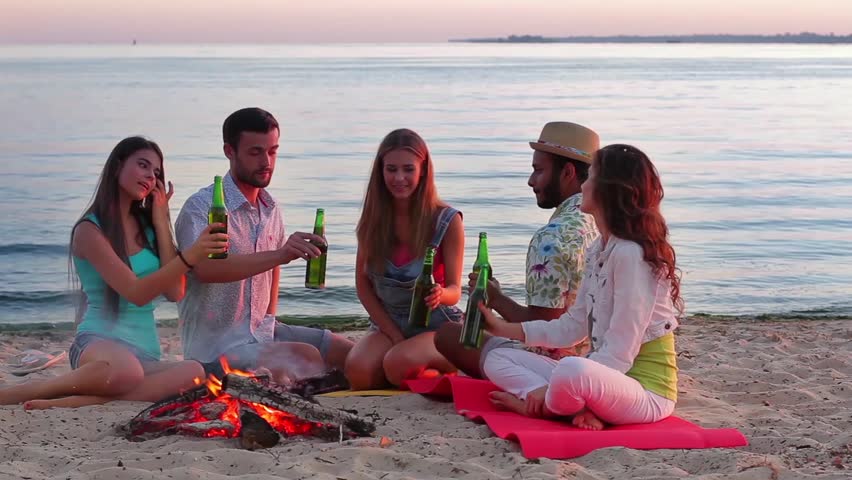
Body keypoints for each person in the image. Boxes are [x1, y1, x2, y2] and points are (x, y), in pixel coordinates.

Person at [0, 136, 227, 409]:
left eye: (156, 173)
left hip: (144, 356)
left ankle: (80, 400)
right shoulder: (89, 230)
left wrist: (160, 220)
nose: (150, 177)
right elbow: (136, 293)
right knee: (126, 372)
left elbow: (175, 291)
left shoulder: (149, 230)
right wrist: (191, 256)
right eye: (143, 165)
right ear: (118, 165)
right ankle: (41, 389)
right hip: (98, 347)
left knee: (193, 371)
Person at [478, 144, 683, 431]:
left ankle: (546, 406)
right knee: (497, 358)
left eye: (590, 178)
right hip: (605, 380)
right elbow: (572, 327)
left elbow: (620, 352)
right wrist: (502, 328)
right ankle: (562, 402)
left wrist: (570, 390)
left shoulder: (630, 255)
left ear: (608, 190)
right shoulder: (600, 248)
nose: (583, 185)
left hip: (646, 391)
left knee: (571, 369)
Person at [175, 107, 353, 384]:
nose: (267, 161)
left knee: (352, 354)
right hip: (216, 349)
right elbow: (205, 269)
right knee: (306, 357)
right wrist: (281, 254)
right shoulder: (202, 207)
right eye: (255, 152)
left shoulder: (270, 207)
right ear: (229, 151)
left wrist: (270, 318)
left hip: (263, 332)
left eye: (272, 151)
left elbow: (272, 279)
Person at [434, 121, 599, 378]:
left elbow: (545, 331)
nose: (531, 181)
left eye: (538, 170)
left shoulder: (551, 237)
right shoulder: (601, 222)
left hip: (558, 367)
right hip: (598, 358)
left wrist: (496, 299)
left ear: (567, 172)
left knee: (448, 334)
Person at [344, 128, 465, 389]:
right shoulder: (373, 219)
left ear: (423, 170)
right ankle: (407, 366)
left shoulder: (447, 220)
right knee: (358, 372)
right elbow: (363, 285)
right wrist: (394, 334)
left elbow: (456, 291)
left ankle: (454, 370)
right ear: (381, 171)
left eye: (408, 169)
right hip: (390, 321)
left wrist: (440, 293)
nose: (399, 178)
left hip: (439, 326)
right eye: (391, 169)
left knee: (398, 365)